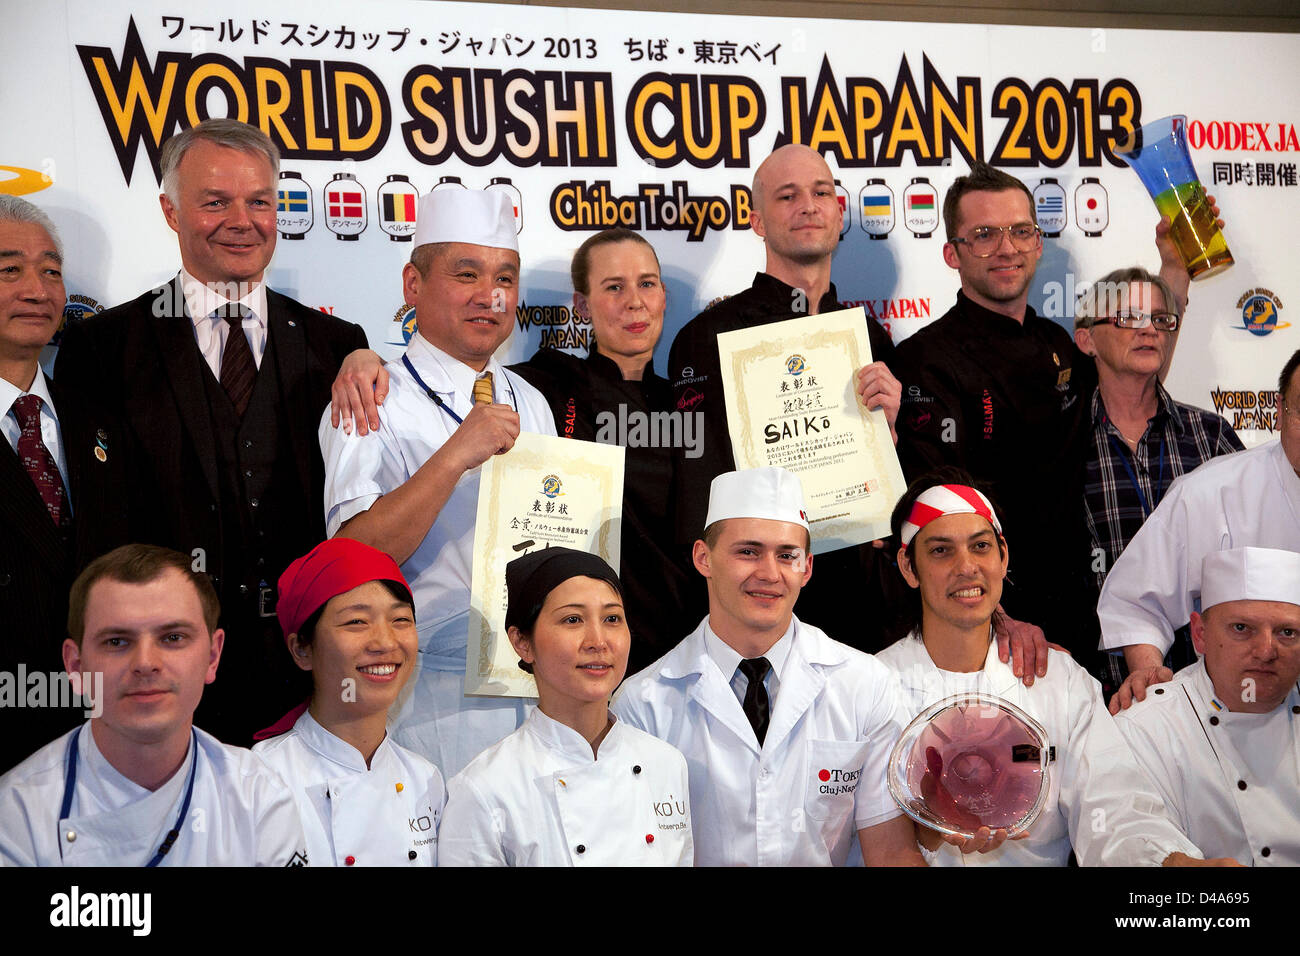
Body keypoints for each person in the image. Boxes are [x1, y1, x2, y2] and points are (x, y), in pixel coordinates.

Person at [53, 119, 370, 747]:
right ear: (170, 211)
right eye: (215, 201)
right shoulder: (103, 346)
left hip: (304, 677)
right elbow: (100, 522)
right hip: (164, 684)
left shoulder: (337, 344)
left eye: (259, 201)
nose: (242, 220)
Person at [893, 161, 1204, 671]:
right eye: (984, 235)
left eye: (1020, 231)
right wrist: (1000, 619)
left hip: (1086, 613)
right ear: (953, 253)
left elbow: (1135, 377)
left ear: (1039, 242)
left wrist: (1174, 268)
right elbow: (936, 513)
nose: (1006, 248)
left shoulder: (1057, 342)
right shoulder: (926, 361)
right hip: (998, 628)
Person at [319, 188, 556, 777]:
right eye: (466, 273)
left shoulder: (533, 401)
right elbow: (352, 556)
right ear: (412, 285)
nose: (490, 295)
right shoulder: (372, 395)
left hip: (533, 687)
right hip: (422, 698)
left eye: (505, 276)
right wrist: (454, 457)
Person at [876, 472, 1228, 866]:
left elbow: (1111, 806)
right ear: (908, 567)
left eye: (980, 547)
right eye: (941, 551)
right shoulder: (873, 687)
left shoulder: (1058, 681)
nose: (967, 567)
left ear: (1003, 556)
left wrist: (1169, 862)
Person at [612, 466, 923, 866]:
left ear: (807, 568)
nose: (769, 573)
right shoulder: (643, 705)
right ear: (703, 558)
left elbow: (891, 852)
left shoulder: (865, 685)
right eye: (748, 551)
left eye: (787, 555)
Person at [666, 144, 906, 655]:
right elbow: (698, 496)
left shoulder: (871, 337)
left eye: (822, 192)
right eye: (787, 196)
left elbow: (902, 485)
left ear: (840, 212)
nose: (809, 205)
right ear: (757, 220)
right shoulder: (710, 337)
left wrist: (893, 433)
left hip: (868, 608)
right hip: (764, 608)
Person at [0, 544, 307, 866]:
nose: (146, 663)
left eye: (173, 637)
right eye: (116, 641)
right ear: (76, 667)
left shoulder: (260, 797)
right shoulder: (16, 816)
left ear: (213, 657)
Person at [509, 229, 694, 671]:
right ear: (582, 306)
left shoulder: (693, 399)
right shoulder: (547, 383)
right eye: (614, 287)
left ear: (663, 295)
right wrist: (363, 362)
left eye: (647, 284)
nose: (635, 302)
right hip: (592, 649)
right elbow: (455, 377)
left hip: (689, 644)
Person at [440, 548, 692, 865]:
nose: (598, 641)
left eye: (612, 618)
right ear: (522, 642)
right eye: (573, 619)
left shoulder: (666, 763)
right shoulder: (485, 788)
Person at [0, 196, 127, 772]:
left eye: (51, 270)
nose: (38, 289)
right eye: (10, 270)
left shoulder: (99, 418)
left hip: (104, 738)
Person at [1100, 348, 1300, 713]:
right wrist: (1151, 680)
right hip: (1239, 720)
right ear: (1280, 412)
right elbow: (1136, 602)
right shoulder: (1212, 492)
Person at [1073, 267, 1241, 696]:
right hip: (1101, 689)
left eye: (1161, 319)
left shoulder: (1211, 435)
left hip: (1219, 685)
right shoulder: (1060, 444)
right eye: (1128, 317)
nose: (1149, 330)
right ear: (1086, 339)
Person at [253, 538, 446, 866]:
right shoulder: (259, 780)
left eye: (400, 620)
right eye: (356, 621)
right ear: (302, 649)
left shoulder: (425, 779)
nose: (385, 641)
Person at [1115, 546, 1300, 866]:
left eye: (1287, 633)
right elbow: (1127, 830)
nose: (1266, 651)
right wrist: (1175, 863)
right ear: (1200, 635)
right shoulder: (1147, 725)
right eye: (1242, 629)